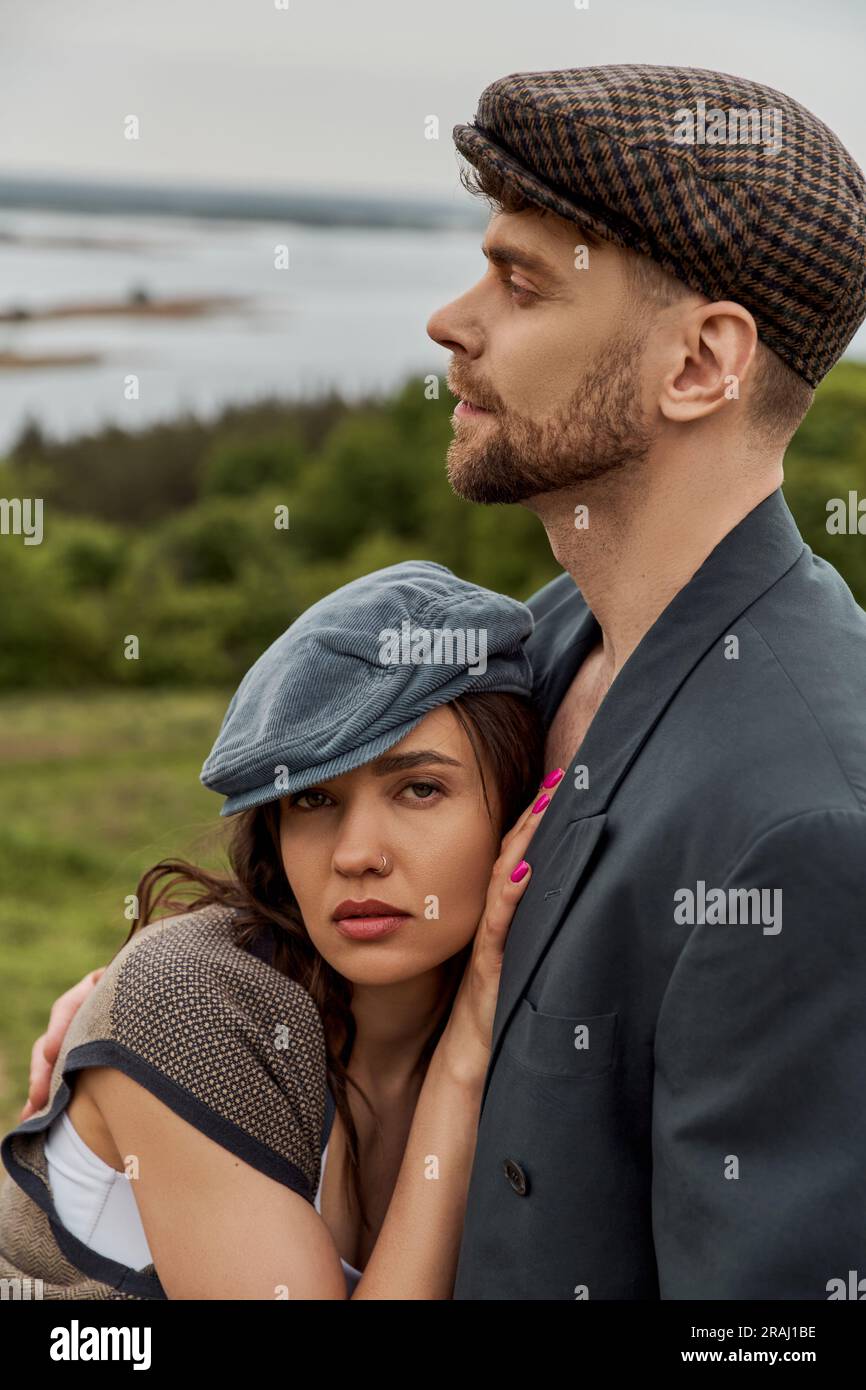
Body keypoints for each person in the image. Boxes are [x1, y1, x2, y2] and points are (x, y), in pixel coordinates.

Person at [17, 62, 866, 1300]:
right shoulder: (545, 640)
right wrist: (163, 1003)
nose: (449, 320)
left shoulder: (805, 823)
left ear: (698, 362)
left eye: (520, 283)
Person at [0, 561, 565, 1299]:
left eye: (419, 788)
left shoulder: (539, 1005)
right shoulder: (196, 1001)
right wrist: (463, 1065)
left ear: (520, 811)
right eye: (314, 800)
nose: (357, 854)